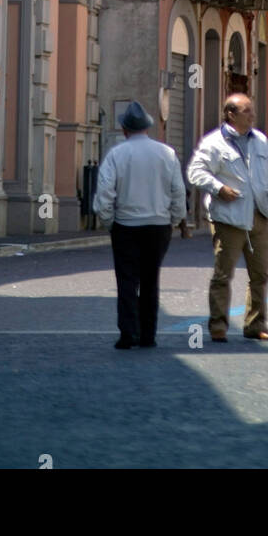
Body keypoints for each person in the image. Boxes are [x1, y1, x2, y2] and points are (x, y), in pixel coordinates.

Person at [93, 100, 187, 349]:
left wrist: (107, 220)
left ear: (125, 130)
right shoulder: (167, 153)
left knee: (126, 280)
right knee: (150, 279)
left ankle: (128, 334)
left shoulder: (116, 154)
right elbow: (178, 191)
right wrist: (175, 220)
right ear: (148, 128)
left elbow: (105, 192)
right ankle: (148, 335)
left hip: (126, 225)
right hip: (158, 225)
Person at [187, 94, 268, 343]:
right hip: (229, 218)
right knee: (223, 274)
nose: (252, 115)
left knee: (260, 274)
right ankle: (218, 325)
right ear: (230, 114)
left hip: (258, 216)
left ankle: (256, 324)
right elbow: (196, 172)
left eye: (252, 110)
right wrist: (218, 188)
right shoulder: (213, 142)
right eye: (246, 111)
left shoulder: (260, 140)